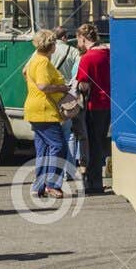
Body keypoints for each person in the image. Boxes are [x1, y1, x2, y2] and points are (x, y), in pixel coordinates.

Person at [23, 29, 70, 199]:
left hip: (34, 108)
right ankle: (52, 184)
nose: (56, 45)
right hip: (44, 110)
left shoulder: (34, 59)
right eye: (54, 43)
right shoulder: (43, 62)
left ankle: (38, 186)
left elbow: (24, 72)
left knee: (43, 149)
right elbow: (43, 86)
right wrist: (62, 88)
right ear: (51, 45)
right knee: (59, 146)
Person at [75, 22, 112, 195]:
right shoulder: (107, 53)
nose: (78, 43)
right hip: (108, 104)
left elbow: (82, 83)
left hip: (93, 104)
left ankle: (94, 182)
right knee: (100, 141)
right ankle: (96, 179)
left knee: (92, 144)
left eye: (78, 40)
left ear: (83, 38)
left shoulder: (87, 58)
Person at [49, 25, 83, 182]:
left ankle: (52, 173)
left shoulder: (48, 51)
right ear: (64, 37)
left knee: (52, 137)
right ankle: (69, 171)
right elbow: (78, 73)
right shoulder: (73, 51)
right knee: (68, 135)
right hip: (67, 96)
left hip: (50, 97)